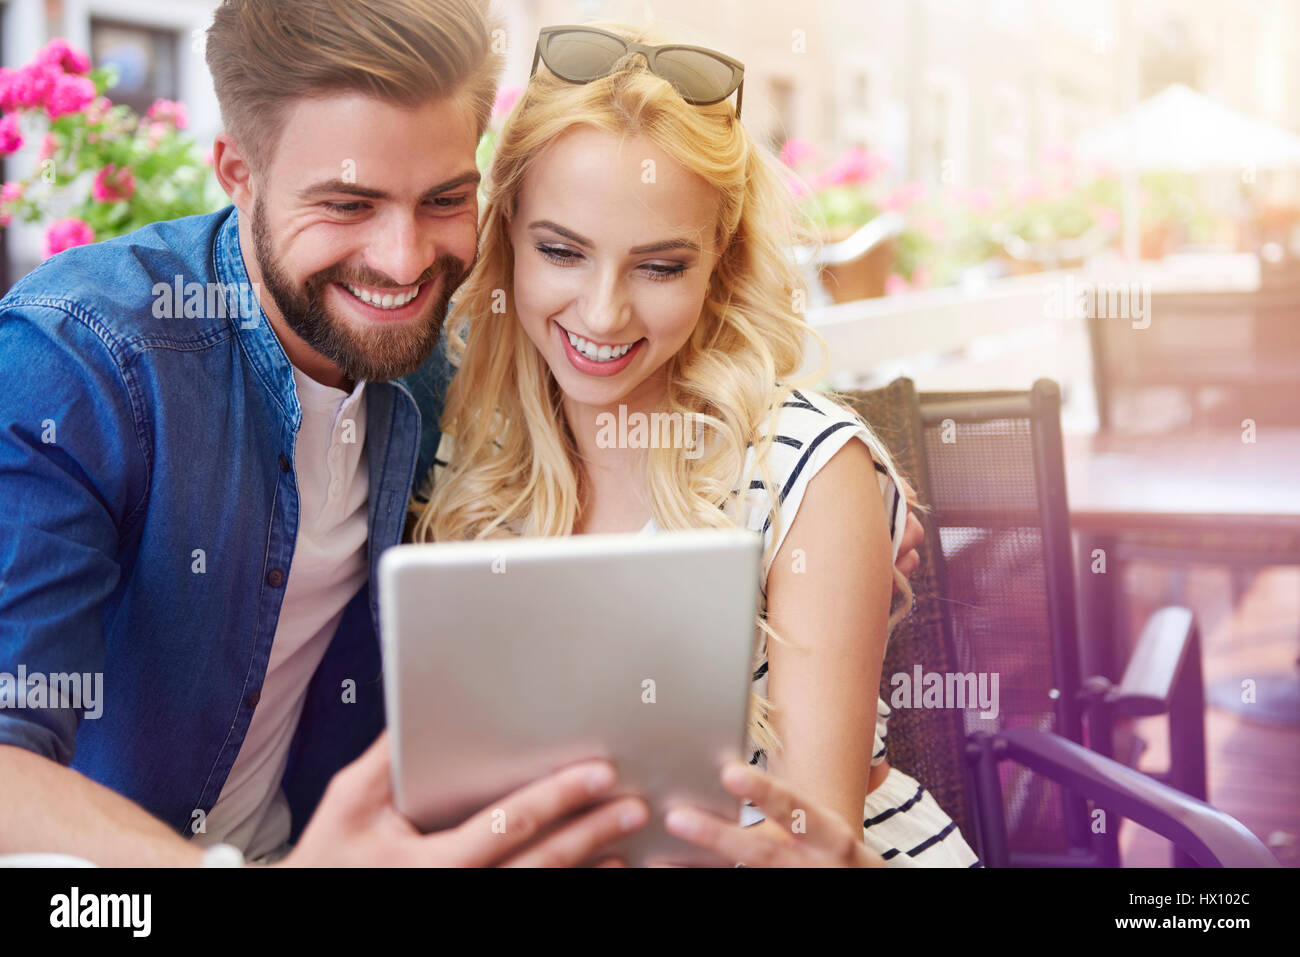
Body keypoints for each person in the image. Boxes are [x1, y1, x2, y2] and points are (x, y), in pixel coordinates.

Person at [0, 1, 915, 868]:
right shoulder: (84, 360)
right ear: (236, 171)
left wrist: (829, 514)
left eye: (442, 199)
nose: (402, 263)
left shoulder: (445, 388)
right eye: (349, 205)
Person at [411, 22, 979, 866]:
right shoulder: (468, 452)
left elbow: (813, 841)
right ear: (508, 239)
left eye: (660, 266)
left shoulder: (808, 471)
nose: (603, 314)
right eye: (562, 251)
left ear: (721, 258)